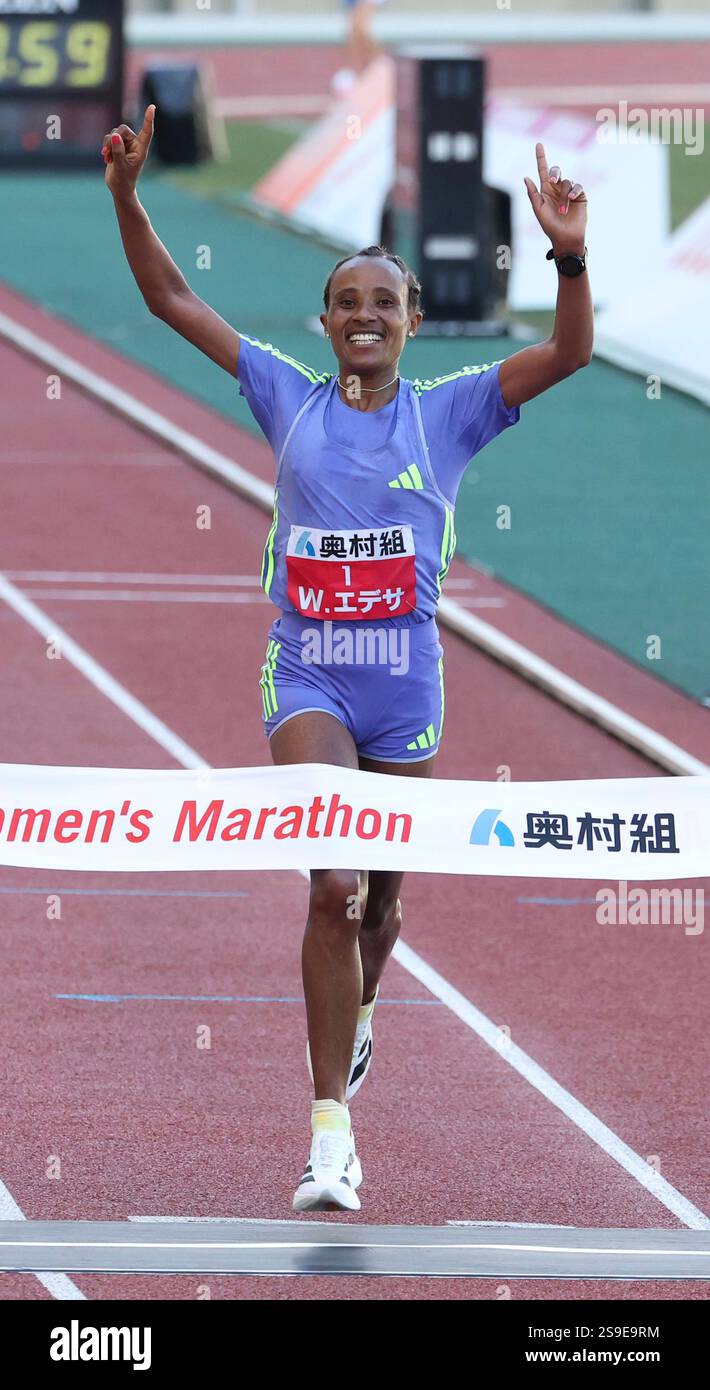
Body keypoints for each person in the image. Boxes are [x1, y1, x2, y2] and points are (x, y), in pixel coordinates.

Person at [103, 109, 592, 1213]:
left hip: (405, 687)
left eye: (384, 302)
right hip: (309, 672)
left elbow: (567, 353)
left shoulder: (453, 413)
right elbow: (171, 302)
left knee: (378, 911)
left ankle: (366, 1002)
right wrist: (128, 196)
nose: (364, 316)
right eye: (347, 302)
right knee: (332, 885)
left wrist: (564, 251)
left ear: (414, 321)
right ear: (323, 321)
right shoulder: (284, 393)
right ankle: (331, 1137)